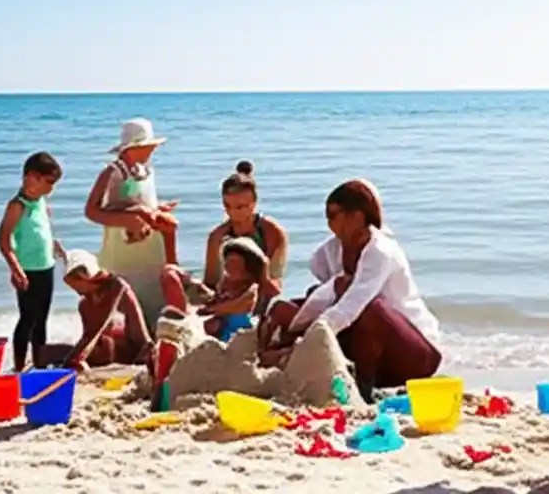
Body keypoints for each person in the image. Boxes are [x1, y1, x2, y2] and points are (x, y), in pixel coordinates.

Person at [258, 179, 442, 401]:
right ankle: (275, 363)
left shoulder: (381, 251)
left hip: (414, 355)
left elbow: (352, 305)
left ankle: (364, 391)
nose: (329, 224)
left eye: (334, 216)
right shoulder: (330, 251)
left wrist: (313, 333)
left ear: (357, 216)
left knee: (368, 309)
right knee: (293, 305)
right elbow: (325, 291)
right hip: (374, 354)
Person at [84, 117, 179, 329]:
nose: (151, 151)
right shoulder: (113, 172)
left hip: (148, 245)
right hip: (122, 245)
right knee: (125, 295)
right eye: (147, 147)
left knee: (152, 293)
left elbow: (144, 201)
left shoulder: (146, 171)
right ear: (131, 149)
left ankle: (153, 333)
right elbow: (91, 211)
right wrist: (129, 217)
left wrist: (157, 209)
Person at [0, 151, 62, 371]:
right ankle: (19, 366)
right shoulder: (17, 206)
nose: (52, 188)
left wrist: (55, 245)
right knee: (28, 319)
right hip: (28, 270)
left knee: (42, 319)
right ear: (32, 177)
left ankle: (39, 365)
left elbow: (42, 229)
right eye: (49, 182)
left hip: (46, 266)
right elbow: (4, 239)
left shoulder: (41, 202)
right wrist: (16, 269)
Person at [40, 249, 153, 372]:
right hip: (102, 348)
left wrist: (76, 358)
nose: (78, 293)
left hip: (134, 348)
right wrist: (71, 359)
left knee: (105, 343)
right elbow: (87, 337)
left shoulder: (117, 287)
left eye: (77, 287)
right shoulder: (84, 304)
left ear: (88, 277)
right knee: (45, 352)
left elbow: (98, 328)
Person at [204, 160, 288, 308]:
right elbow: (211, 282)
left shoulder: (272, 232)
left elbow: (274, 278)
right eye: (228, 206)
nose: (233, 212)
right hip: (227, 296)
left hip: (261, 295)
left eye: (240, 207)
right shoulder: (217, 237)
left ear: (254, 203)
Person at [160, 237, 265, 342]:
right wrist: (192, 283)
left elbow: (233, 305)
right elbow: (212, 299)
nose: (229, 266)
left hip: (233, 335)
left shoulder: (250, 290)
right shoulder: (224, 286)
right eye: (227, 262)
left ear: (248, 270)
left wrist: (209, 310)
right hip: (215, 325)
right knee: (170, 274)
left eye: (234, 263)